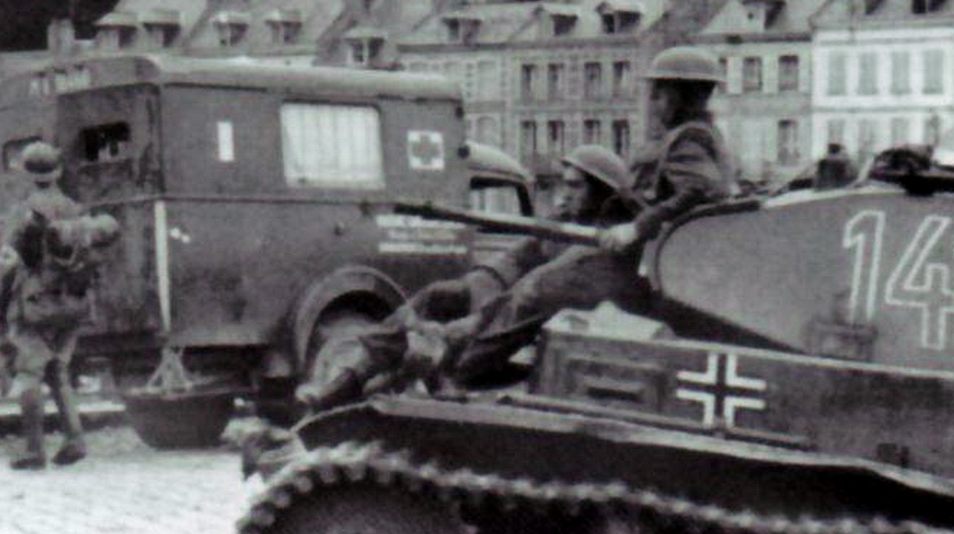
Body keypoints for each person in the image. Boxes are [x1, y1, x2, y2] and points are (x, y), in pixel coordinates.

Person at [445, 46, 736, 385]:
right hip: (641, 257)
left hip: (634, 262)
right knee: (533, 282)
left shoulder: (689, 139)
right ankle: (461, 354)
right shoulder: (698, 138)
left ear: (683, 95)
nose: (654, 102)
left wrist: (635, 228)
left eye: (661, 93)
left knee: (538, 288)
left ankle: (456, 374)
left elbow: (701, 189)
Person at [295, 145, 636, 412]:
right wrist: (474, 288)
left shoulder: (604, 247)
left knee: (449, 333)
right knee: (437, 296)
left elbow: (532, 292)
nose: (564, 194)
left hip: (516, 329)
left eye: (575, 187)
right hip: (507, 313)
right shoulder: (564, 222)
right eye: (564, 184)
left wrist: (462, 324)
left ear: (603, 194)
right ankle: (350, 378)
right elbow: (518, 258)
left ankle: (432, 373)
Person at [0, 141, 119, 470]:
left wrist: (0, 306)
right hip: (72, 305)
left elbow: (7, 265)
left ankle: (34, 451)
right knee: (59, 372)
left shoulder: (22, 214)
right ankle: (75, 439)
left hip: (35, 305)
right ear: (58, 172)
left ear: (25, 175)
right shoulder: (76, 210)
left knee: (30, 374)